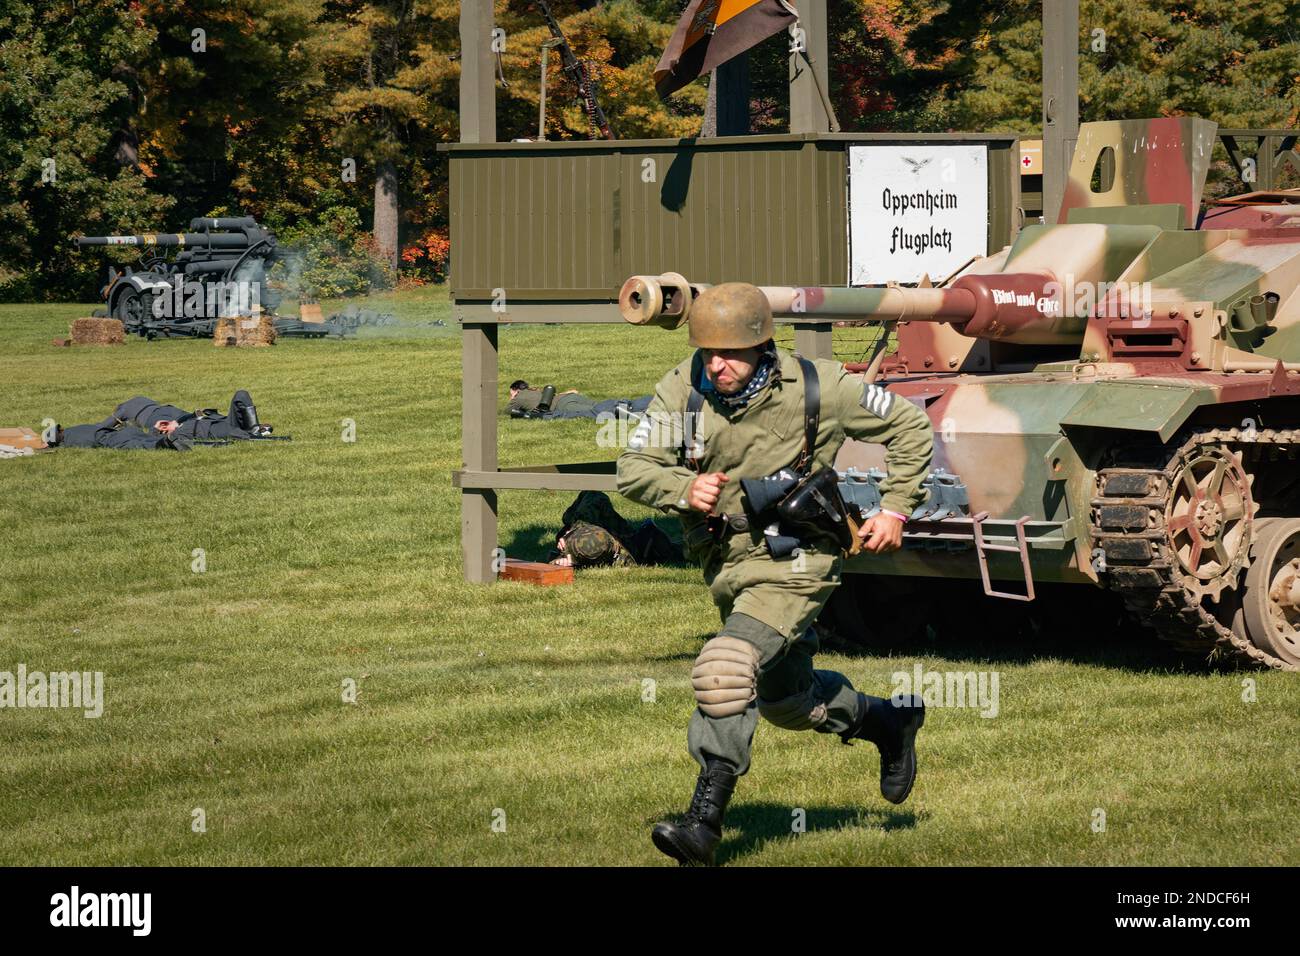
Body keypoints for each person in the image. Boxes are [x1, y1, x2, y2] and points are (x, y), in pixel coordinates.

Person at [616, 282, 935, 866]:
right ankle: (888, 722)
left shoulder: (821, 387)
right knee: (788, 703)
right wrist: (683, 488)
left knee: (726, 668)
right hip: (726, 561)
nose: (718, 365)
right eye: (709, 352)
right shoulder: (682, 388)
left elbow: (909, 427)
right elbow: (632, 467)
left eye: (732, 353)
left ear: (764, 347)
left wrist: (895, 507)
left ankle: (703, 824)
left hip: (800, 558)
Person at [53, 390, 273, 450]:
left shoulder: (125, 410)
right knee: (200, 424)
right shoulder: (140, 405)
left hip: (170, 420)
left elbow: (102, 428)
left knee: (199, 425)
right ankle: (252, 430)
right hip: (175, 416)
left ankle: (252, 431)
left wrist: (66, 436)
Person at [508, 380, 652, 420]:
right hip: (570, 397)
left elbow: (507, 411)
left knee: (594, 412)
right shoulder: (538, 391)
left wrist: (513, 399)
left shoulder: (518, 397)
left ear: (516, 390)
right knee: (599, 405)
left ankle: (619, 411)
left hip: (564, 405)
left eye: (511, 393)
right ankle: (648, 401)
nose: (511, 397)